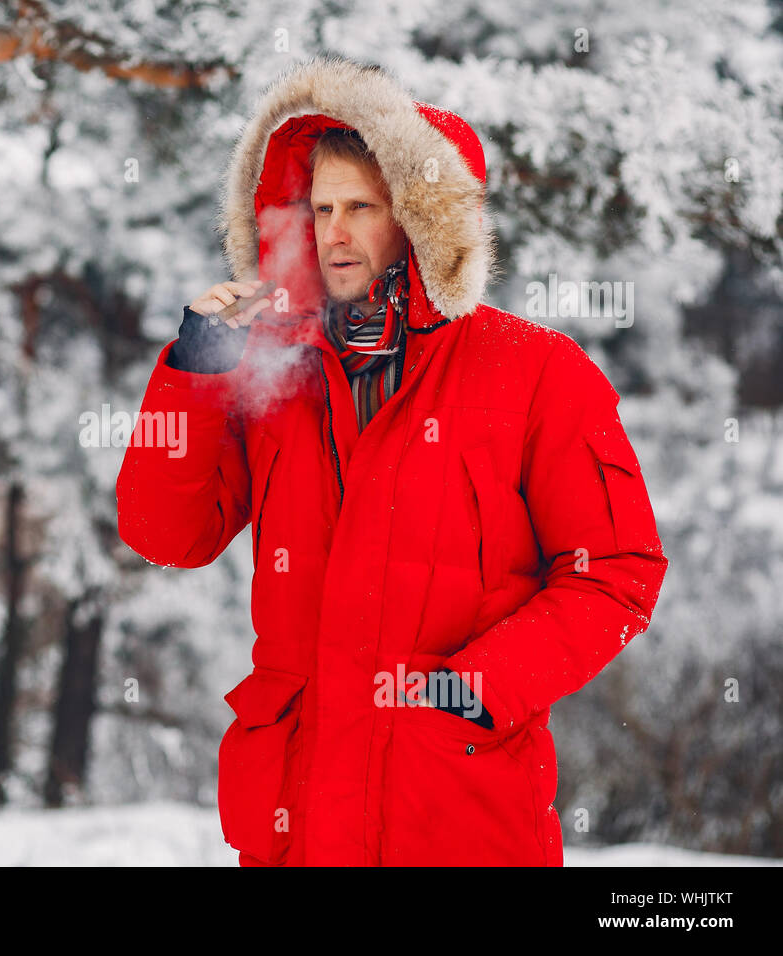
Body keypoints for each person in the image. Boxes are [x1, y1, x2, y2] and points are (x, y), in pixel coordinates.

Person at [115, 56, 668, 866]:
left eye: (361, 208)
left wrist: (473, 694)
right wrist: (197, 372)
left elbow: (616, 572)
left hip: (455, 816)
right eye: (318, 206)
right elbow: (168, 535)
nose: (330, 232)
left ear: (420, 216)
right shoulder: (274, 369)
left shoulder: (537, 371)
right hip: (295, 820)